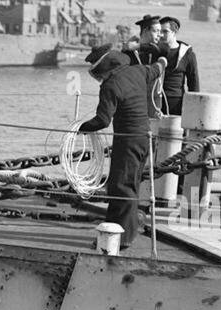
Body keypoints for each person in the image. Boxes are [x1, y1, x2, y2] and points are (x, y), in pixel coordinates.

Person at [79, 45, 167, 248]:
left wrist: (80, 128)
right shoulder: (138, 71)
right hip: (144, 138)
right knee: (129, 183)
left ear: (105, 67)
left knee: (121, 186)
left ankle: (122, 238)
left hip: (127, 141)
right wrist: (163, 60)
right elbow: (157, 68)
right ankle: (117, 228)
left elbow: (102, 120)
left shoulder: (110, 86)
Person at [157, 16, 199, 115]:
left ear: (174, 32)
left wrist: (194, 106)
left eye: (165, 31)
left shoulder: (187, 54)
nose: (161, 35)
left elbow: (193, 82)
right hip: (155, 99)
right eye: (159, 32)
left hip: (176, 101)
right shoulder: (155, 51)